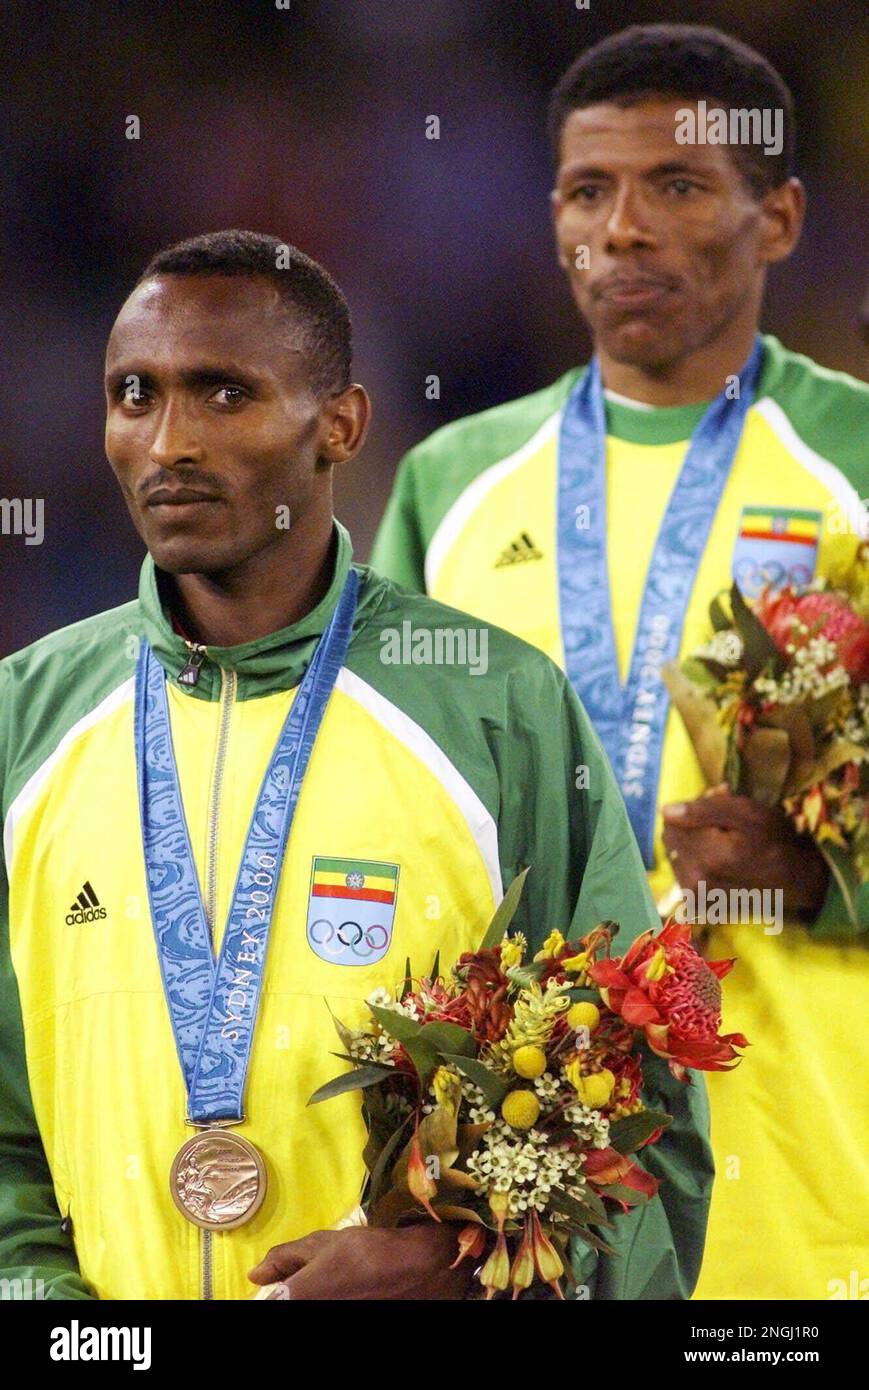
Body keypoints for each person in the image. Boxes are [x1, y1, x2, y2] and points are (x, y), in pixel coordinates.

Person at [0, 230, 711, 1301]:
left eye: (223, 394)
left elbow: (643, 1119)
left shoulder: (493, 708)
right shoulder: (25, 721)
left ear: (340, 424)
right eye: (134, 393)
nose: (168, 440)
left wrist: (462, 1271)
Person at [371, 26, 869, 1300]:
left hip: (818, 1198)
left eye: (678, 187)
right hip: (528, 1208)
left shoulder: (853, 465)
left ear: (778, 218)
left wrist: (820, 873)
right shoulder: (452, 484)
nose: (624, 229)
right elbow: (380, 813)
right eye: (589, 191)